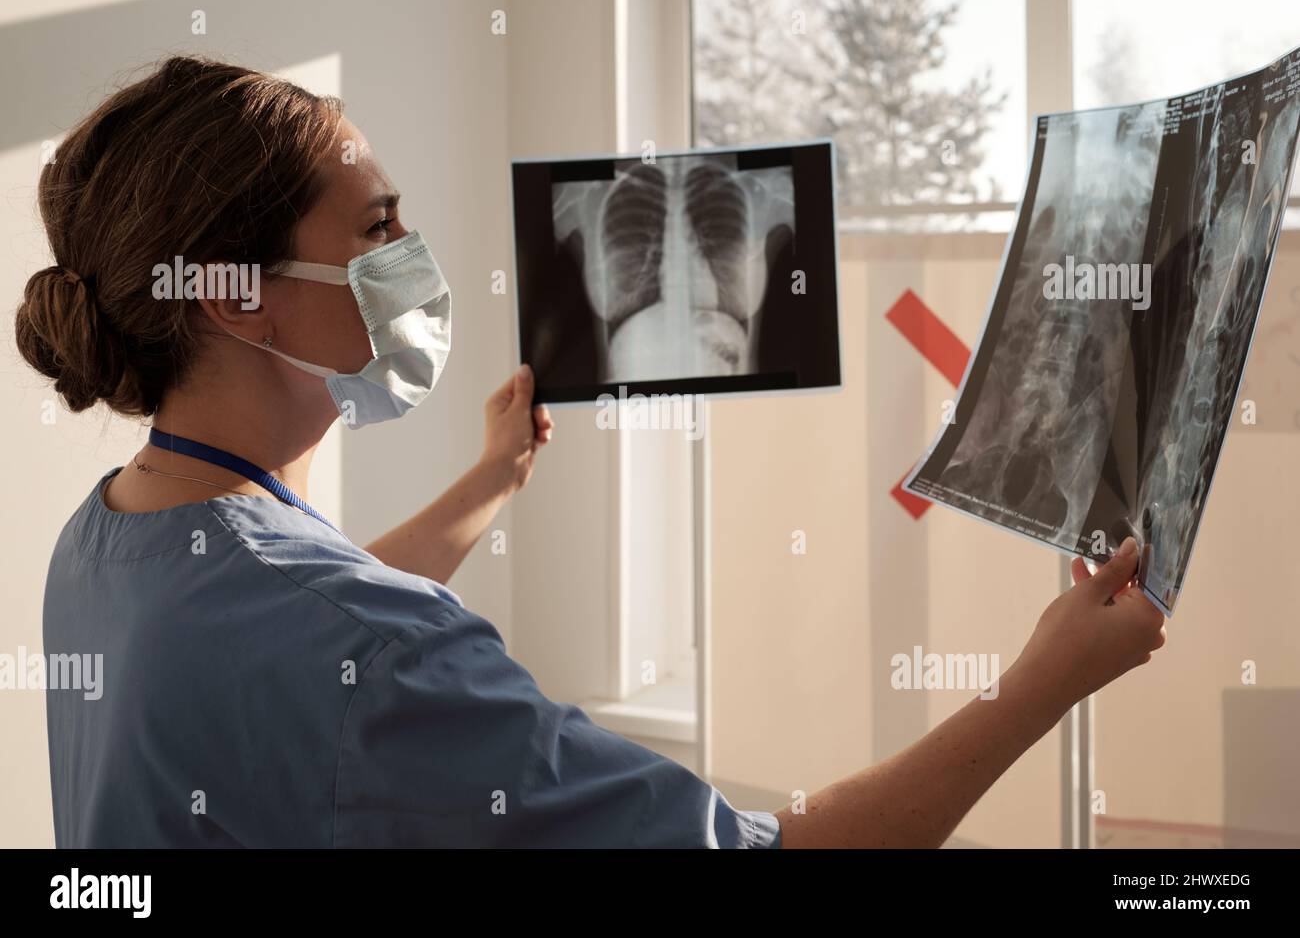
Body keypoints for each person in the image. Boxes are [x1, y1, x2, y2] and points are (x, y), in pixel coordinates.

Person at [16, 56, 1167, 849]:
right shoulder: (363, 642)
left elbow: (301, 645)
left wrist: (490, 480)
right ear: (234, 300)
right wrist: (1039, 683)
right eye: (376, 228)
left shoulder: (112, 534)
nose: (414, 249)